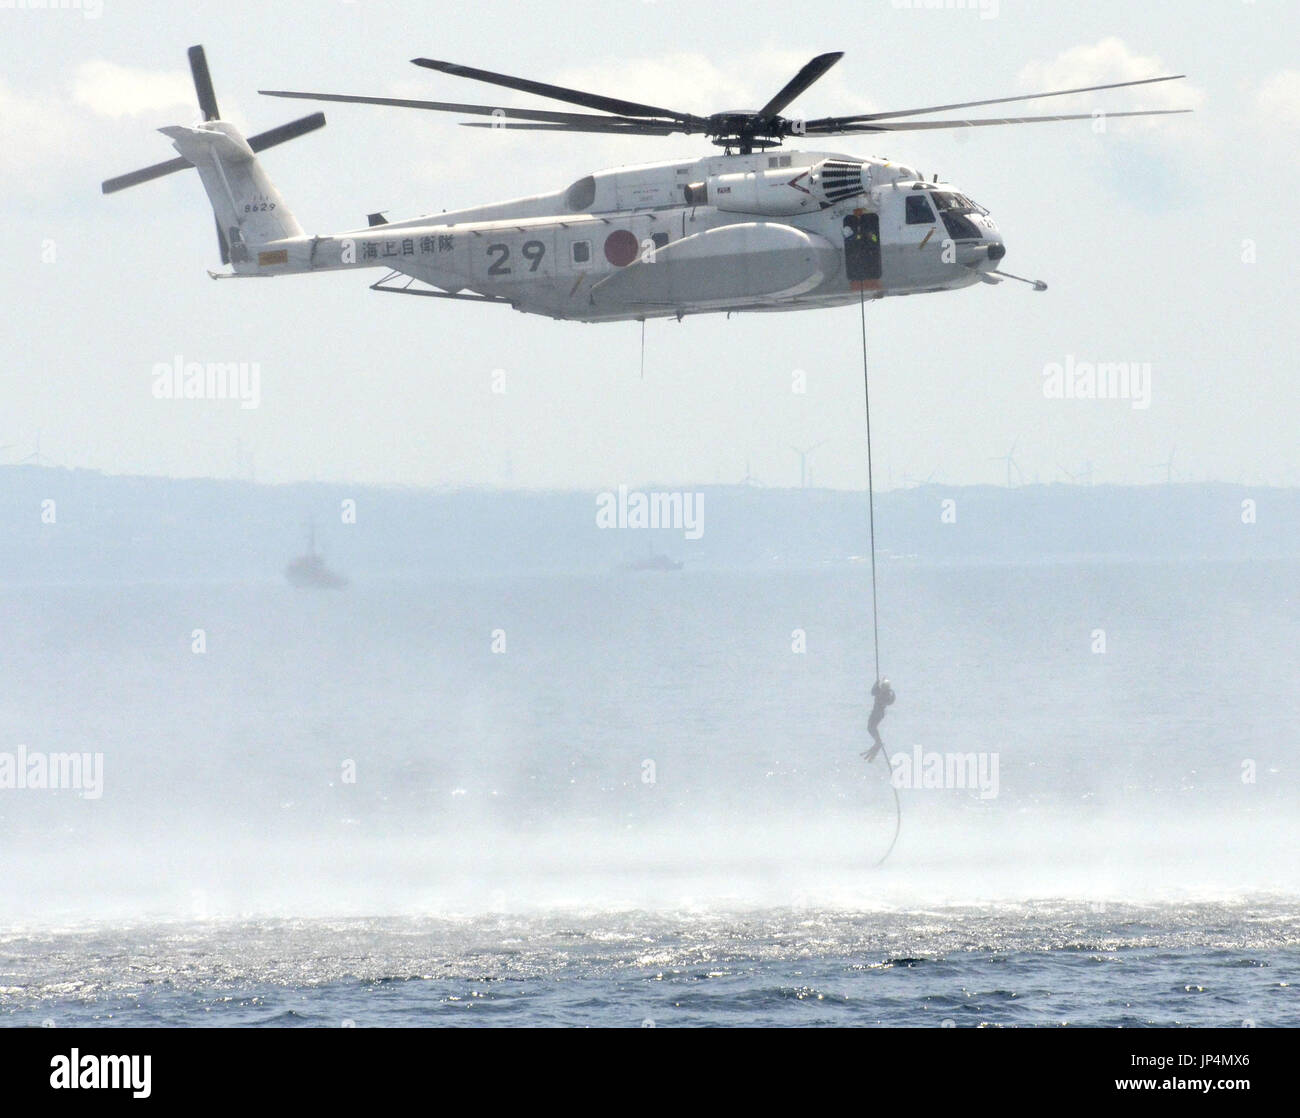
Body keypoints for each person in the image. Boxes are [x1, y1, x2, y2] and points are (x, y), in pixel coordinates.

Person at [862, 678, 895, 762]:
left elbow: (889, 701)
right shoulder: (880, 691)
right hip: (876, 712)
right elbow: (873, 692)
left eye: (884, 687)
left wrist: (878, 687)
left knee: (871, 727)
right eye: (882, 686)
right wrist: (876, 683)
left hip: (878, 713)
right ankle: (878, 742)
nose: (883, 688)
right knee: (871, 727)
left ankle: (878, 742)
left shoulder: (887, 694)